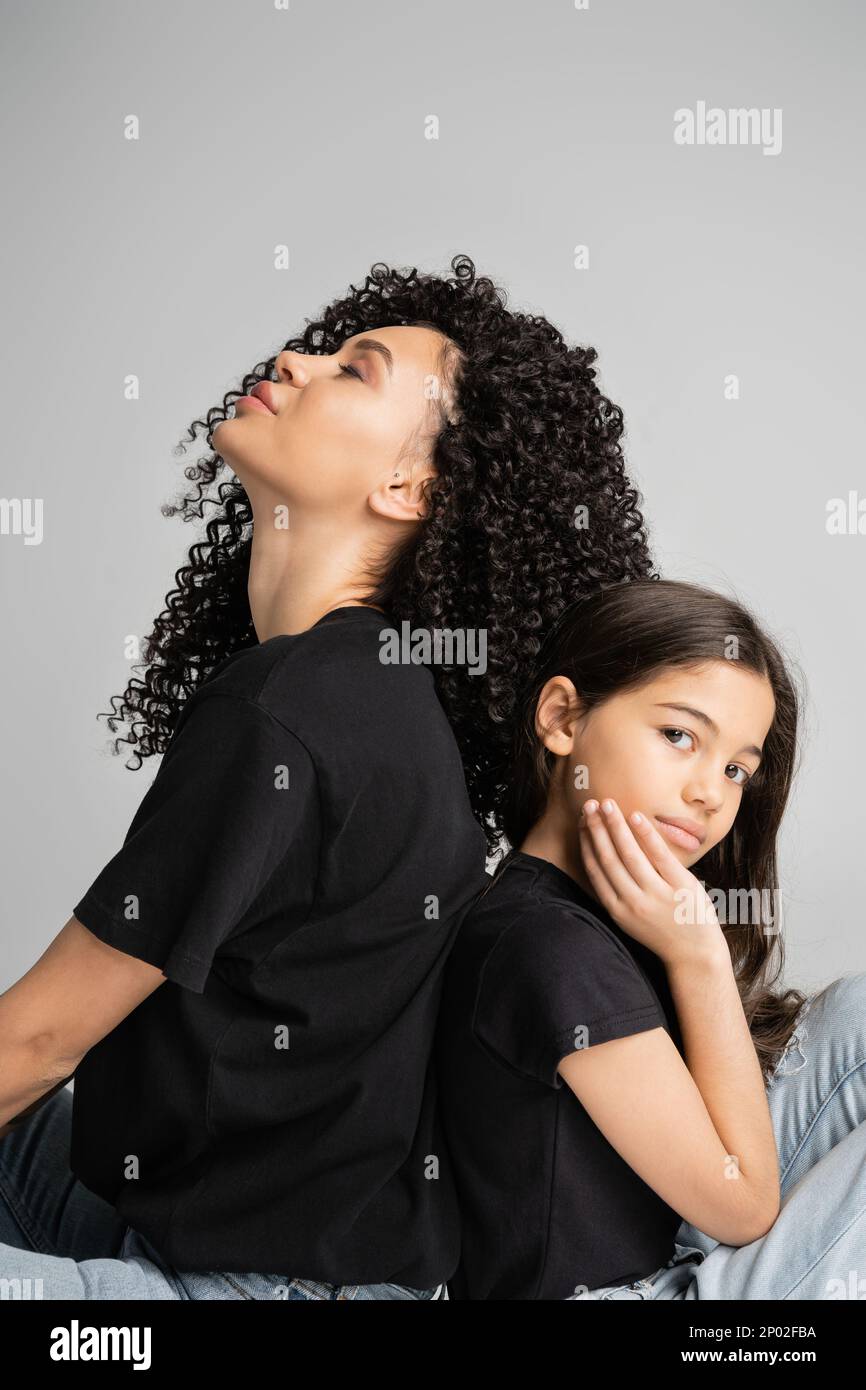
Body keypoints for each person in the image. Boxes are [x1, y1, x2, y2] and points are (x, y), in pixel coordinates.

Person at [0, 254, 658, 1299]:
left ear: (407, 486)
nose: (293, 362)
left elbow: (33, 1042)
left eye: (353, 370)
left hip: (250, 1287)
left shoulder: (285, 710)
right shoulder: (369, 689)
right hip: (216, 1232)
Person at [435, 577, 866, 1300]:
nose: (710, 792)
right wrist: (697, 952)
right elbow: (744, 1206)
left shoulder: (597, 915)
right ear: (563, 718)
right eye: (678, 736)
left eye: (736, 769)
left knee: (856, 1011)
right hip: (619, 1296)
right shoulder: (550, 948)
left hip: (676, 1246)